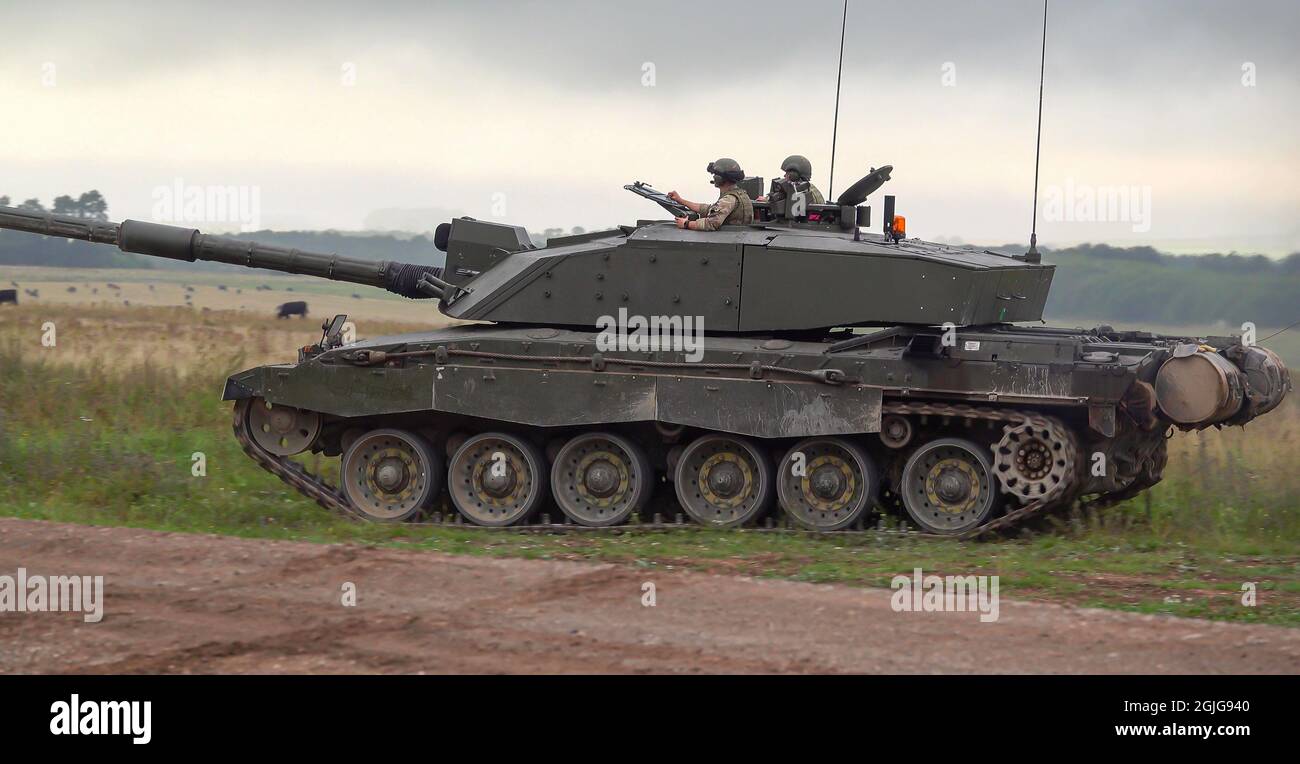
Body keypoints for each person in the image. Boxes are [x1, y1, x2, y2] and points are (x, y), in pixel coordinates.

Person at [667, 158, 754, 231]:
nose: (713, 177)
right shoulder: (740, 194)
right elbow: (709, 209)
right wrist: (681, 200)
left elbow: (711, 223)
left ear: (721, 178)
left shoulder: (729, 199)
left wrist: (686, 224)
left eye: (715, 174)